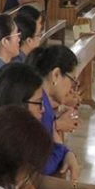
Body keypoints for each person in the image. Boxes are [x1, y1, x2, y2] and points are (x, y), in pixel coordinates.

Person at [25, 45, 83, 181]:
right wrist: (63, 153)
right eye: (72, 81)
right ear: (56, 75)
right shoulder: (40, 106)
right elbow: (42, 167)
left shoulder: (42, 98)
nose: (72, 89)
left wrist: (67, 152)